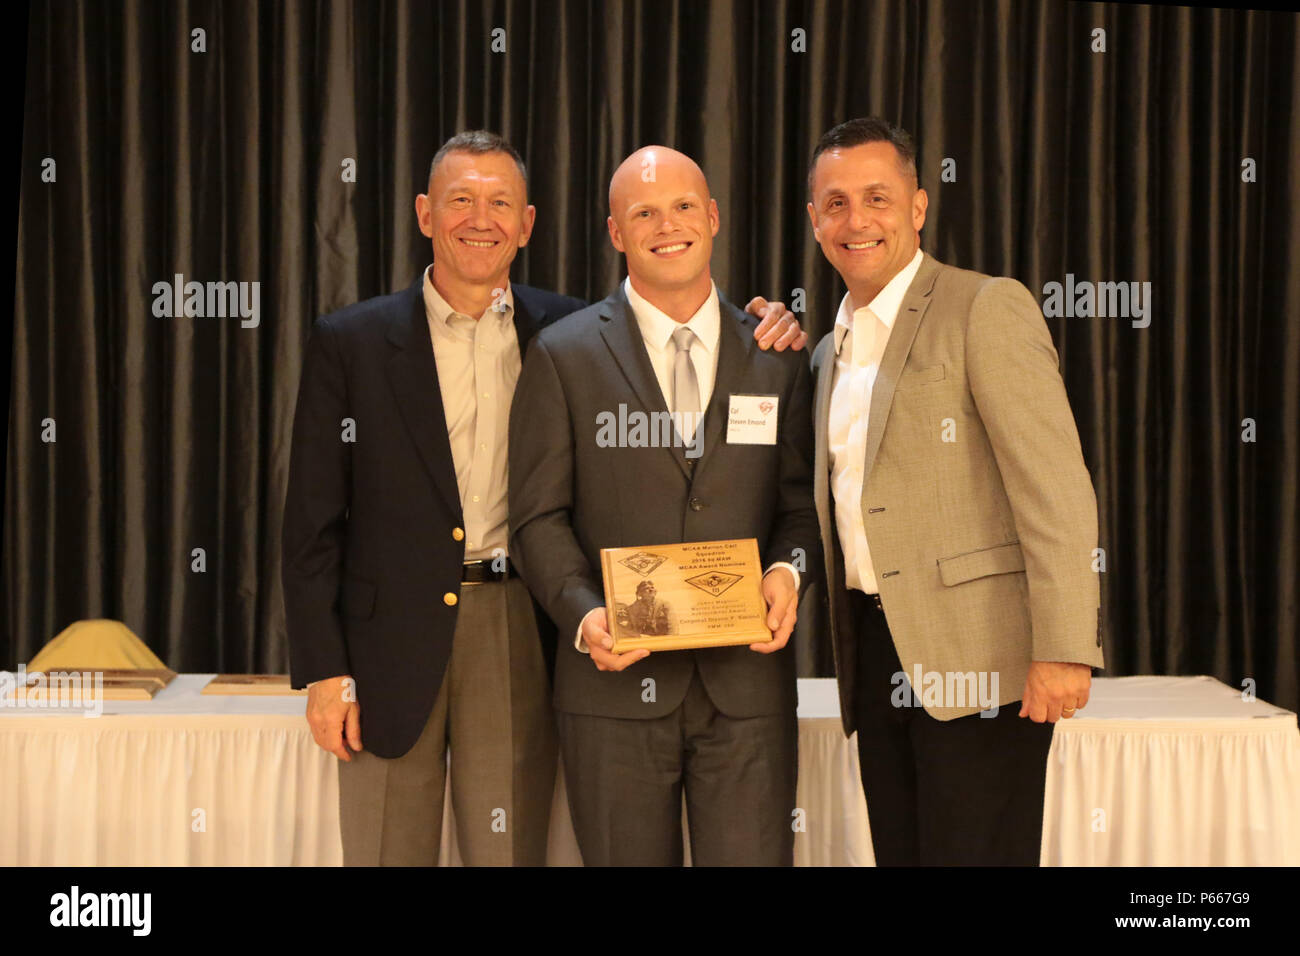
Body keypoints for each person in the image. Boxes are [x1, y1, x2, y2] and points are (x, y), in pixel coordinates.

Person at [282, 131, 807, 866]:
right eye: (461, 200)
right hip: (387, 642)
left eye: (501, 203)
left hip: (517, 625)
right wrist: (324, 669)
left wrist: (772, 323)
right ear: (425, 213)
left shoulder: (563, 331)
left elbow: (786, 494)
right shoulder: (354, 341)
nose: (481, 219)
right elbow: (310, 524)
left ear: (527, 224)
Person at [801, 117, 1104, 865]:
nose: (856, 219)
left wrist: (1066, 646)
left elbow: (1056, 488)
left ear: (917, 206)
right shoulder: (825, 352)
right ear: (814, 221)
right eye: (836, 203)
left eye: (876, 197)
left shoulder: (984, 306)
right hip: (874, 656)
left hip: (985, 660)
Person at [508, 146, 819, 866]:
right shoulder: (562, 354)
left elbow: (801, 507)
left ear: (712, 218)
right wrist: (585, 615)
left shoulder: (776, 353)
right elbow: (536, 519)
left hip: (746, 693)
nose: (666, 225)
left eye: (682, 207)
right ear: (616, 233)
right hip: (612, 692)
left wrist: (789, 572)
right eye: (643, 212)